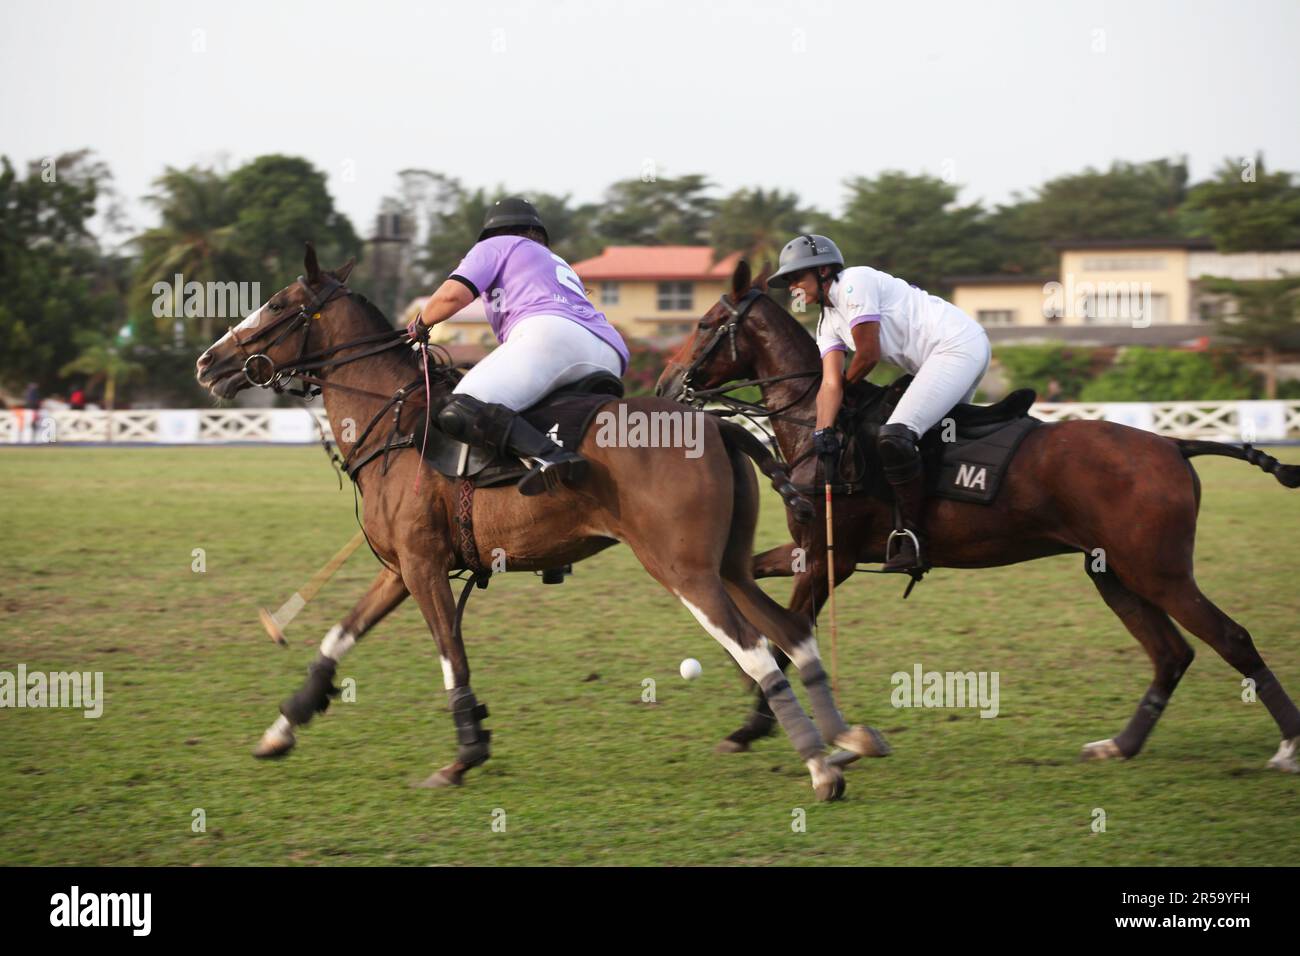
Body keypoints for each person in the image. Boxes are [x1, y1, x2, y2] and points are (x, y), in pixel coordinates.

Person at [767, 234, 992, 574]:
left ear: (824, 270)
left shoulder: (854, 283)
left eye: (797, 277)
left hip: (956, 346)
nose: (793, 287)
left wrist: (844, 395)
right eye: (789, 281)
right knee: (930, 440)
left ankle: (913, 538)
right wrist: (822, 430)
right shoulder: (827, 324)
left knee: (895, 434)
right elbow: (830, 383)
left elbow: (867, 353)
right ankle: (944, 522)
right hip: (938, 359)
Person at [407, 198, 629, 495]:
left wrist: (420, 324)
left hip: (552, 337)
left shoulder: (497, 245)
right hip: (610, 351)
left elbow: (451, 297)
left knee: (459, 408)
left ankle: (553, 458)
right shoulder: (554, 260)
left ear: (492, 232)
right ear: (537, 232)